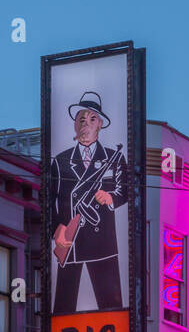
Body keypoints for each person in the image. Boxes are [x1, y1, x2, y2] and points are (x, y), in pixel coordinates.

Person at [49, 90, 129, 314]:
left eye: (92, 118)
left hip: (102, 241)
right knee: (62, 310)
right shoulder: (62, 160)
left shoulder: (114, 157)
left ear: (100, 124)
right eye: (81, 118)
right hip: (70, 242)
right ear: (75, 124)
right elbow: (50, 199)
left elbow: (126, 190)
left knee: (111, 308)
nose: (86, 123)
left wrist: (111, 198)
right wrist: (57, 230)